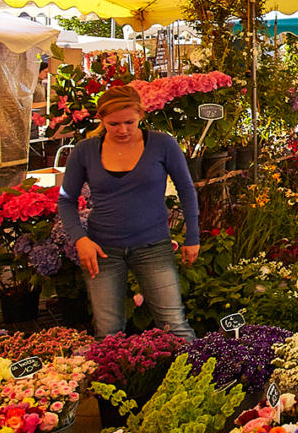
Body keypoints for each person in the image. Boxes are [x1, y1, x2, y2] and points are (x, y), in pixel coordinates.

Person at [57, 84, 200, 340]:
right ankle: (120, 381)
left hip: (153, 245)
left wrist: (193, 237)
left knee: (174, 325)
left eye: (129, 122)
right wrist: (80, 239)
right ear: (101, 119)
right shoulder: (85, 150)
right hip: (102, 249)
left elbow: (186, 190)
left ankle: (199, 376)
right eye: (113, 124)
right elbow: (66, 200)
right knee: (107, 332)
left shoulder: (161, 144)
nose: (122, 130)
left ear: (141, 116)